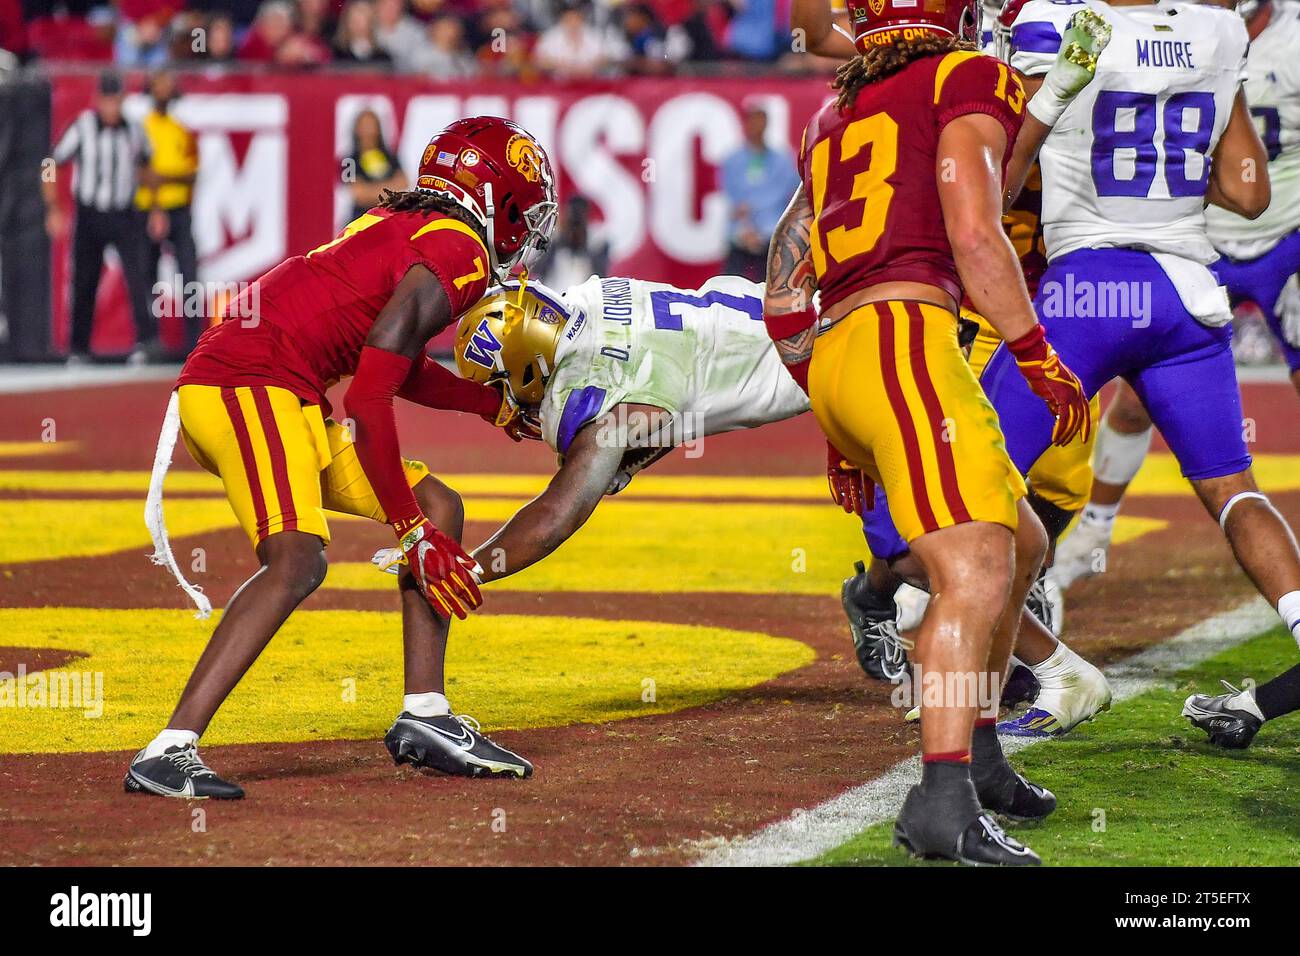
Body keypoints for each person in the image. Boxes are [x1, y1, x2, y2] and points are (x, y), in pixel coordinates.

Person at [762, 0, 1103, 865]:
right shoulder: (965, 75)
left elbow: (784, 273)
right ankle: (940, 799)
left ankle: (979, 755)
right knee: (978, 563)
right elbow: (977, 230)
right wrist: (1035, 352)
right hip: (904, 336)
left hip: (842, 349)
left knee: (1019, 541)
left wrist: (836, 425)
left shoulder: (833, 115)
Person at [126, 117, 558, 800]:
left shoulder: (412, 226)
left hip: (276, 386)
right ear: (495, 201)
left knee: (440, 503)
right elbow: (368, 397)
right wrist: (410, 536)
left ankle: (426, 715)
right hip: (248, 380)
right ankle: (168, 748)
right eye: (522, 211)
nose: (526, 229)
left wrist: (489, 407)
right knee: (298, 559)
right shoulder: (458, 249)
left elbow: (391, 357)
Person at [986, 0, 1300, 748]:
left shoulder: (1055, 22)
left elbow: (1000, 183)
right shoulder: (1218, 31)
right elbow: (1251, 193)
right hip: (1185, 293)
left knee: (968, 481)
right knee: (1233, 489)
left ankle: (1029, 665)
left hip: (1088, 292)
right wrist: (1178, 176)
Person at [1053, 0, 1300, 593]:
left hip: (1286, 237)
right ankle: (1095, 528)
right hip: (1198, 238)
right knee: (1140, 403)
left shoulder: (1272, 36)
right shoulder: (1188, 32)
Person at [425, 275, 808, 582]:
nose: (502, 398)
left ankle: (869, 598)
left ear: (527, 366)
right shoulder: (593, 296)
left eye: (498, 385)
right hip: (791, 301)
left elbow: (557, 516)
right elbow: (678, 391)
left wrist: (469, 569)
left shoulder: (605, 399)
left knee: (871, 505)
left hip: (810, 361)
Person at [43, 71, 161, 366]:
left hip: (125, 214)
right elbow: (50, 163)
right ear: (98, 100)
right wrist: (53, 207)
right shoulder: (83, 127)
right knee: (84, 279)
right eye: (107, 100)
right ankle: (78, 347)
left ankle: (146, 342)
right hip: (90, 214)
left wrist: (156, 207)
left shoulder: (134, 130)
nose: (111, 106)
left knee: (138, 276)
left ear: (121, 100)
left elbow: (147, 167)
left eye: (116, 99)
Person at [137, 69, 202, 357]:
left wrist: (160, 178)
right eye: (159, 83)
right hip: (148, 208)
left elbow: (192, 175)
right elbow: (140, 174)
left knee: (189, 273)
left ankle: (194, 341)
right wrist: (158, 196)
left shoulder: (181, 130)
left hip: (178, 209)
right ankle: (149, 340)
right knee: (145, 275)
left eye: (168, 84)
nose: (164, 89)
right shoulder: (141, 128)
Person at [718, 103, 801, 283]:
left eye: (761, 122)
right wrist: (744, 228)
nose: (757, 127)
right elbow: (730, 198)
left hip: (770, 237)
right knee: (728, 286)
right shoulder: (732, 160)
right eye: (753, 122)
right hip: (740, 236)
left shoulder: (781, 159)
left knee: (770, 288)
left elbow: (786, 193)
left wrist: (757, 221)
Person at [342, 108, 407, 223]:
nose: (369, 130)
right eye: (364, 125)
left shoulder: (390, 156)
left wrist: (370, 190)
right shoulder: (349, 160)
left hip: (387, 219)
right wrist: (390, 191)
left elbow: (404, 183)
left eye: (372, 125)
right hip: (360, 221)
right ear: (356, 129)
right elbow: (358, 194)